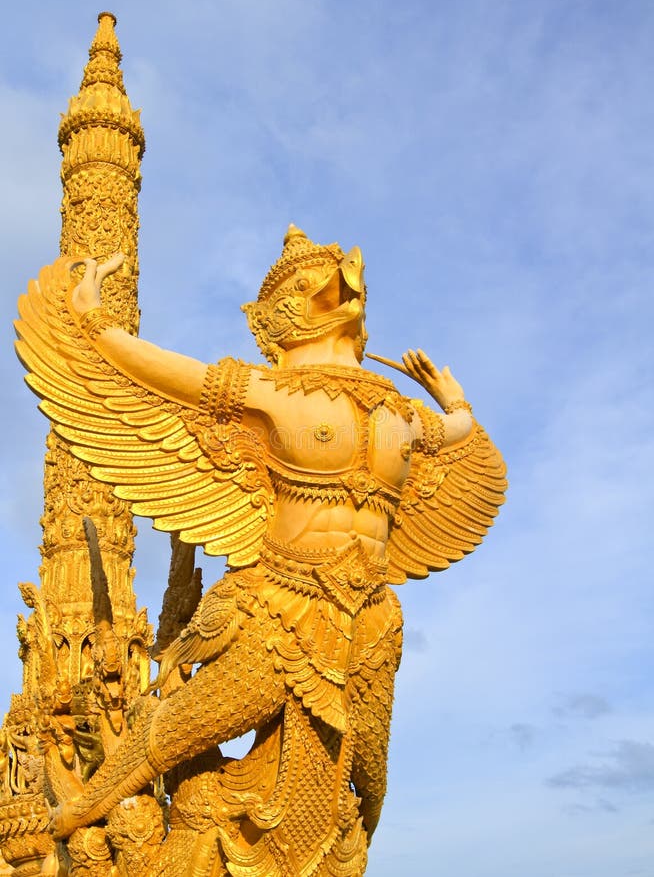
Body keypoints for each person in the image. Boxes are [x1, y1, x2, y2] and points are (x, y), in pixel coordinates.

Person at [17, 225, 506, 875]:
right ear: (281, 315)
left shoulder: (399, 409)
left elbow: (456, 434)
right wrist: (94, 323)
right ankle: (80, 811)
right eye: (314, 285)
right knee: (176, 732)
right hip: (283, 614)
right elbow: (163, 374)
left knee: (370, 774)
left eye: (344, 280)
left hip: (369, 621)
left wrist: (454, 397)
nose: (343, 289)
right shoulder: (269, 392)